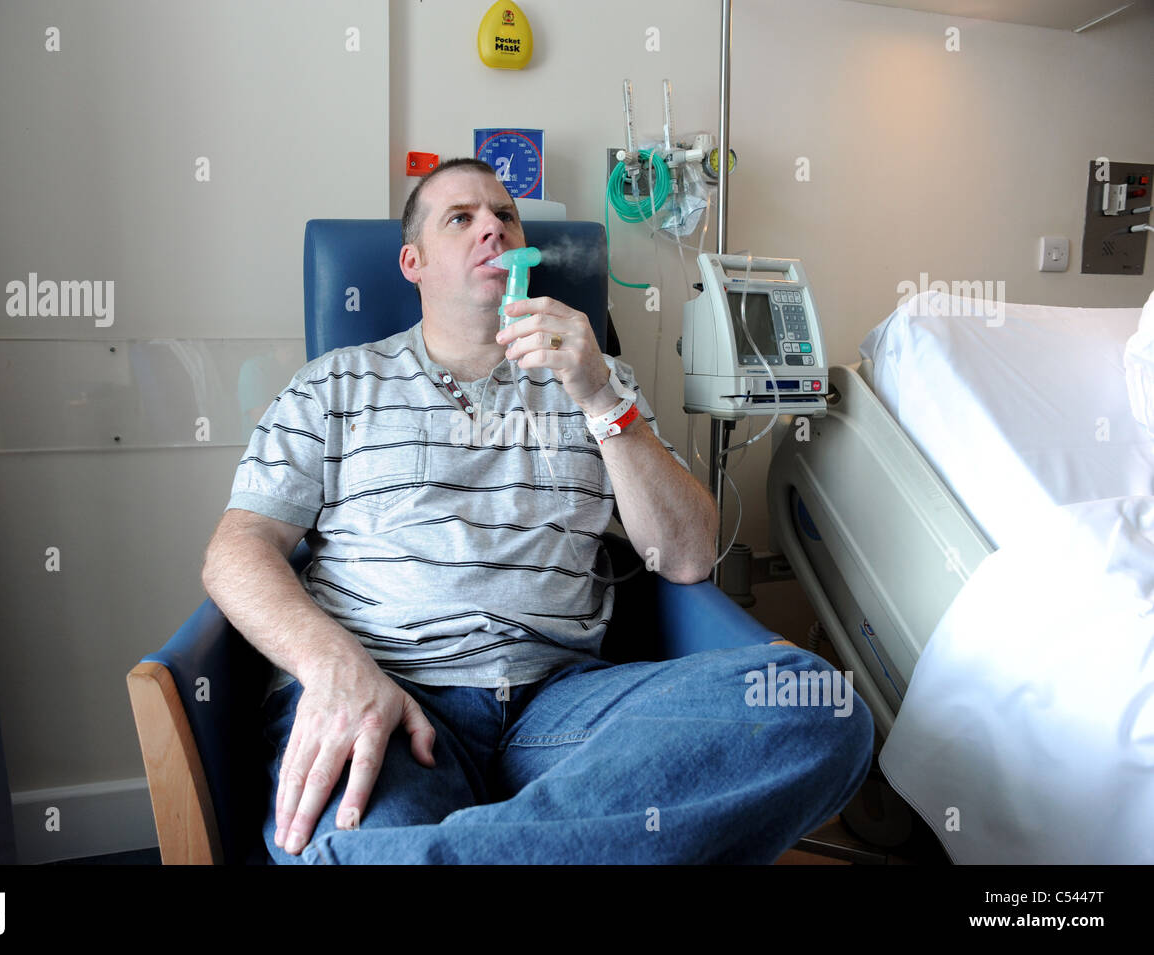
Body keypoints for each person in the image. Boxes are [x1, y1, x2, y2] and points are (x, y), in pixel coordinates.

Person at [200, 158, 873, 864]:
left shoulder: (599, 382)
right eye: (461, 218)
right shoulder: (333, 386)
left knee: (816, 702)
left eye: (506, 215)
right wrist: (333, 666)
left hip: (564, 710)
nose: (493, 224)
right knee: (356, 835)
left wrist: (601, 397)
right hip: (389, 697)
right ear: (413, 261)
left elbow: (688, 554)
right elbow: (236, 550)